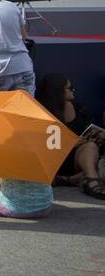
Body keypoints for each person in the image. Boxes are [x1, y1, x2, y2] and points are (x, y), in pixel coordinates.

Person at [35, 73, 105, 201]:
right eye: (70, 88)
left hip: (78, 159)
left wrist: (97, 135)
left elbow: (87, 131)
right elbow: (43, 143)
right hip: (56, 159)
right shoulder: (43, 112)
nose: (74, 90)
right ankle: (88, 181)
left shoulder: (79, 108)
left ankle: (81, 179)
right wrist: (68, 143)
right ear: (58, 91)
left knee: (90, 146)